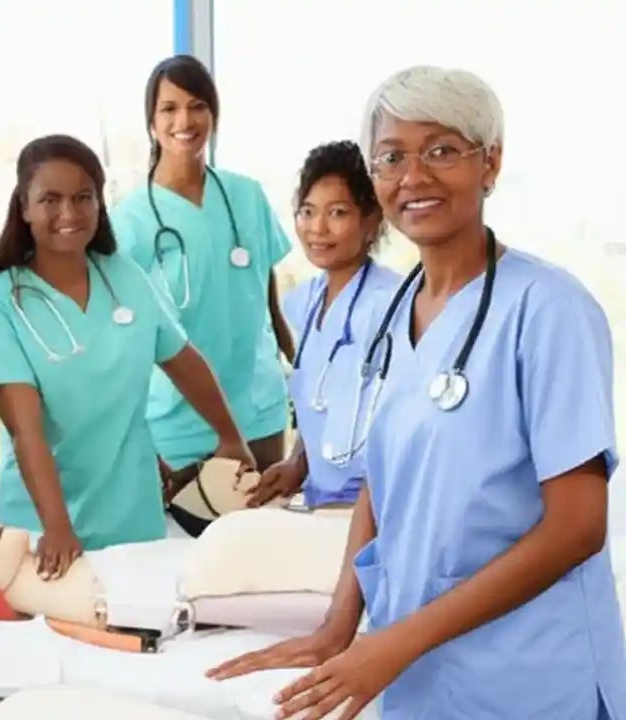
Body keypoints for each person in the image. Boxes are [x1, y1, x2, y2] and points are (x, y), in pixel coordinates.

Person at [208, 66, 626, 720]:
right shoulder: (395, 314)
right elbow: (383, 479)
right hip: (421, 674)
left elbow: (577, 528)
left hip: (533, 675)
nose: (414, 176)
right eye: (392, 157)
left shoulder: (549, 310)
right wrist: (339, 625)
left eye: (441, 150)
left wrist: (397, 642)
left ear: (490, 163)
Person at [0, 134, 255, 579]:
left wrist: (230, 437)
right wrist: (57, 528)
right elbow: (26, 431)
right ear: (24, 207)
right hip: (46, 531)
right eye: (50, 200)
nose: (69, 213)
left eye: (83, 197)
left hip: (135, 521)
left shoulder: (124, 275)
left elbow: (181, 358)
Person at [111, 55, 296, 484]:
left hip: (261, 411)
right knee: (187, 529)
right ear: (151, 123)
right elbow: (123, 341)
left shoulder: (246, 195)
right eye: (169, 108)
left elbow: (268, 304)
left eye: (198, 106)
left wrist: (301, 375)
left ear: (213, 114)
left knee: (260, 525)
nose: (185, 120)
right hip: (175, 425)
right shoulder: (130, 221)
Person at [246, 141, 400, 509]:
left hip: (372, 505)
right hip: (322, 499)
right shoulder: (308, 300)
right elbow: (321, 403)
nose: (317, 228)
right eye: (307, 211)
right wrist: (297, 462)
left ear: (371, 219)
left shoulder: (393, 304)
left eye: (337, 213)